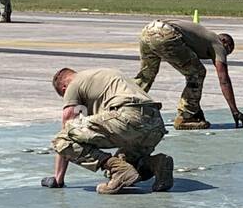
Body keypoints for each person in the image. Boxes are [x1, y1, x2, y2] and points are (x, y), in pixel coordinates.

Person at [44, 67, 173, 194]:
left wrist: (58, 179)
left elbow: (67, 125)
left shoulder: (73, 84)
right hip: (155, 125)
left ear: (64, 88)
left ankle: (119, 170)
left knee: (62, 139)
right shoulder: (106, 75)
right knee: (125, 164)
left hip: (127, 118)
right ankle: (157, 163)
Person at [133, 18, 243, 129]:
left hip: (149, 29)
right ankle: (186, 116)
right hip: (165, 33)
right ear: (225, 42)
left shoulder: (203, 37)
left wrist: (197, 108)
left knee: (146, 74)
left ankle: (124, 103)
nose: (223, 56)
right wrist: (235, 111)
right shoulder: (218, 43)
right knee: (198, 73)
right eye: (227, 52)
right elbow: (224, 80)